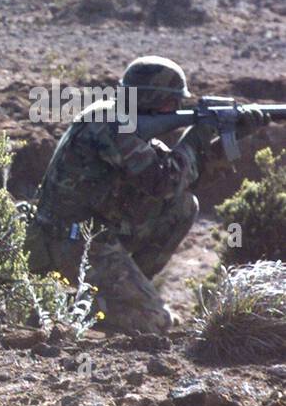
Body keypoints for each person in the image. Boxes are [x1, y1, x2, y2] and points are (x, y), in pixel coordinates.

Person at [27, 55, 268, 332]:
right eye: (172, 103)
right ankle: (72, 308)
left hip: (90, 238)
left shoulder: (124, 122)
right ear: (151, 100)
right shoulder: (111, 122)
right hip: (67, 244)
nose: (176, 108)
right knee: (155, 322)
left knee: (183, 205)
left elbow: (180, 180)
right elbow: (162, 181)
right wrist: (197, 134)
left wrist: (233, 137)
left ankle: (127, 292)